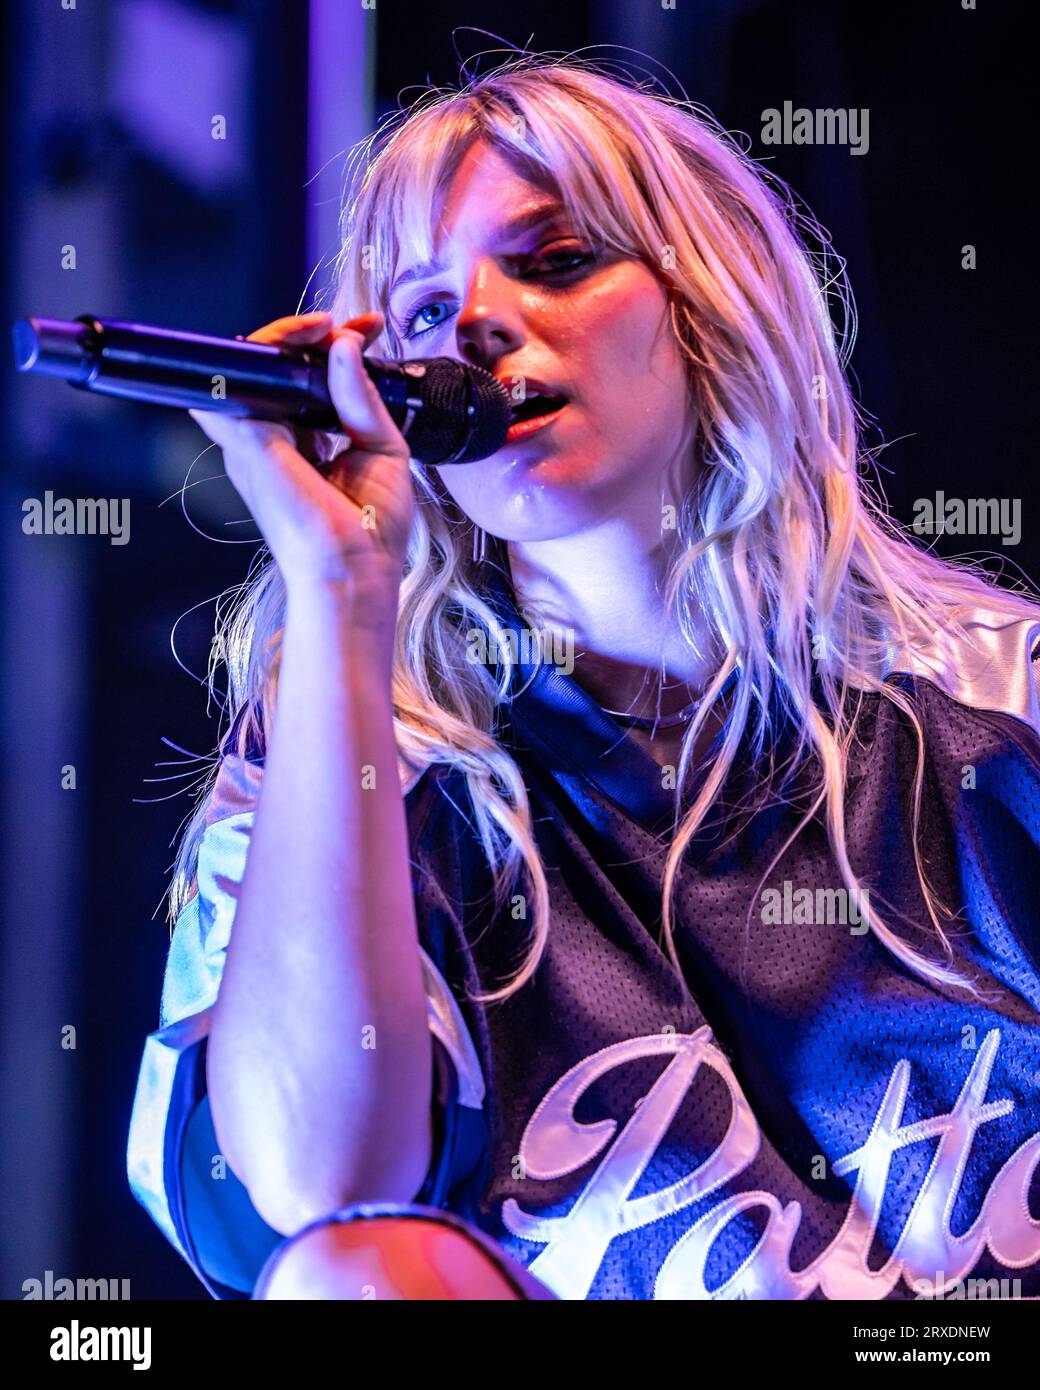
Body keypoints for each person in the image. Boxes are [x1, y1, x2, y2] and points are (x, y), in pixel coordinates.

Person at [127, 55, 1040, 1301]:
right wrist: (344, 591)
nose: (474, 323)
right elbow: (318, 1190)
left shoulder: (996, 697)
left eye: (553, 262)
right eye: (418, 312)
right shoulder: (353, 776)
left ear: (706, 309)